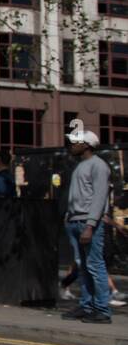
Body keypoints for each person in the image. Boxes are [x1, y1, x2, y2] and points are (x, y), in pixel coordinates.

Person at [62, 129, 112, 323]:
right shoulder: (81, 165)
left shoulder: (98, 166)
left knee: (94, 265)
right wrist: (69, 217)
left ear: (86, 145)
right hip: (75, 221)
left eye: (75, 142)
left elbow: (99, 197)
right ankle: (87, 305)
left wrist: (90, 225)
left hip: (87, 222)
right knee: (83, 266)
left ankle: (102, 310)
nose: (72, 145)